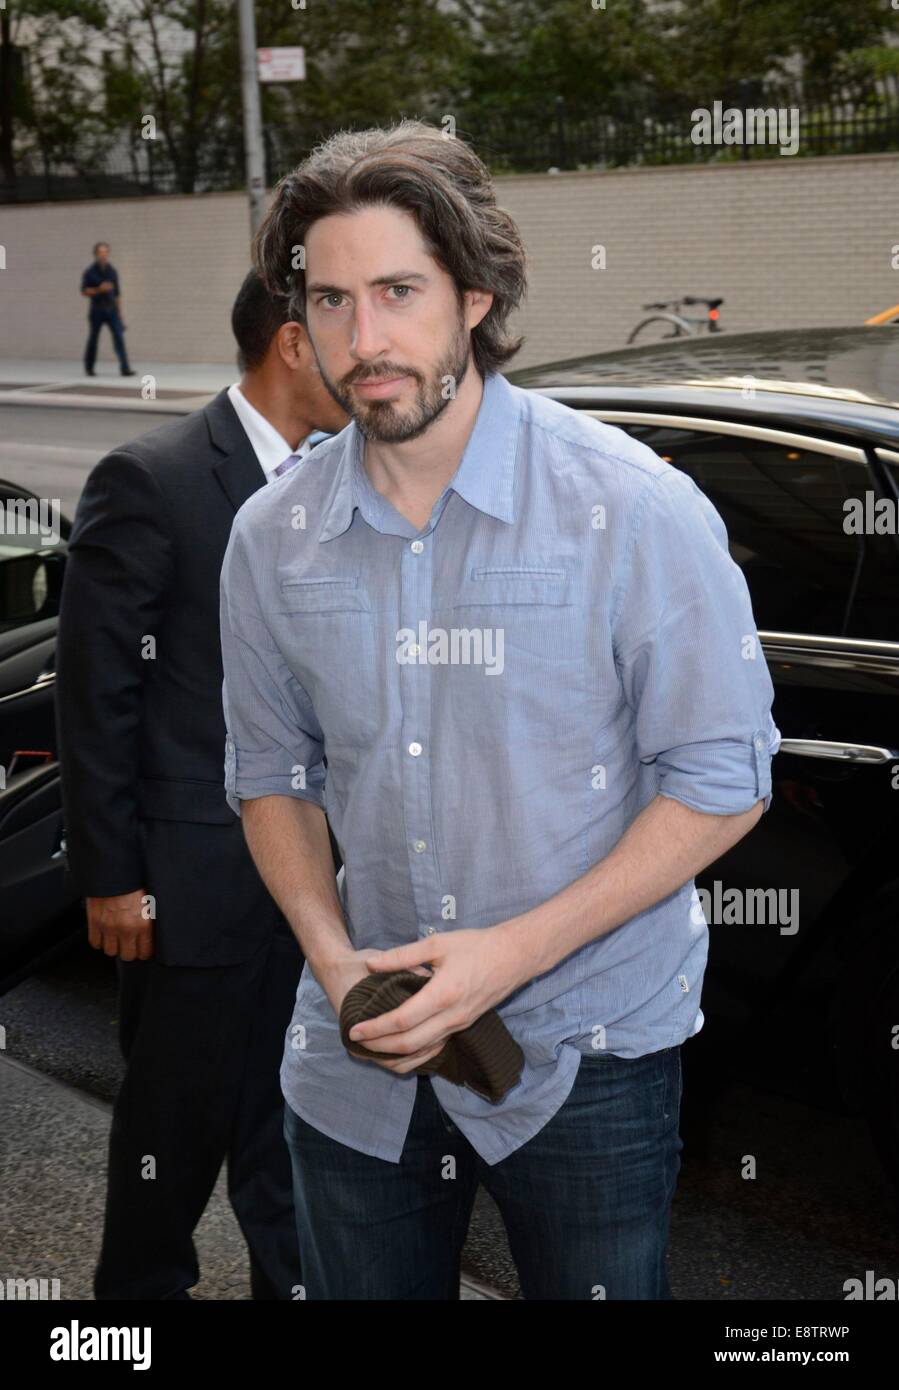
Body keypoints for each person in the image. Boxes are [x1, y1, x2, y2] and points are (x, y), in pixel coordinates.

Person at [219, 120, 782, 1301]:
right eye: (328, 301)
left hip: (590, 1053)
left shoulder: (632, 509)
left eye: (396, 292)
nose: (361, 341)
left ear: (475, 294)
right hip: (349, 1061)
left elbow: (721, 775)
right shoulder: (270, 536)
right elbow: (270, 774)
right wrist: (334, 970)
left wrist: (504, 960)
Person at [55, 269, 350, 1300]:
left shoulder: (349, 478)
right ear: (291, 344)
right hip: (193, 886)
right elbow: (97, 699)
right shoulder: (154, 475)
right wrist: (111, 879)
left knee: (294, 1140)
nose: (363, 349)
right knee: (167, 1147)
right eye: (339, 319)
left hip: (322, 889)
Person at [80, 242, 134, 377]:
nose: (104, 255)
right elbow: (84, 291)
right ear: (96, 254)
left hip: (112, 310)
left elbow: (117, 294)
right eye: (101, 252)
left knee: (119, 337)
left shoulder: (112, 271)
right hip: (97, 310)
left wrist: (120, 313)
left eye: (106, 252)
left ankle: (125, 368)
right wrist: (99, 289)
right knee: (93, 339)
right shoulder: (90, 272)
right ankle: (89, 367)